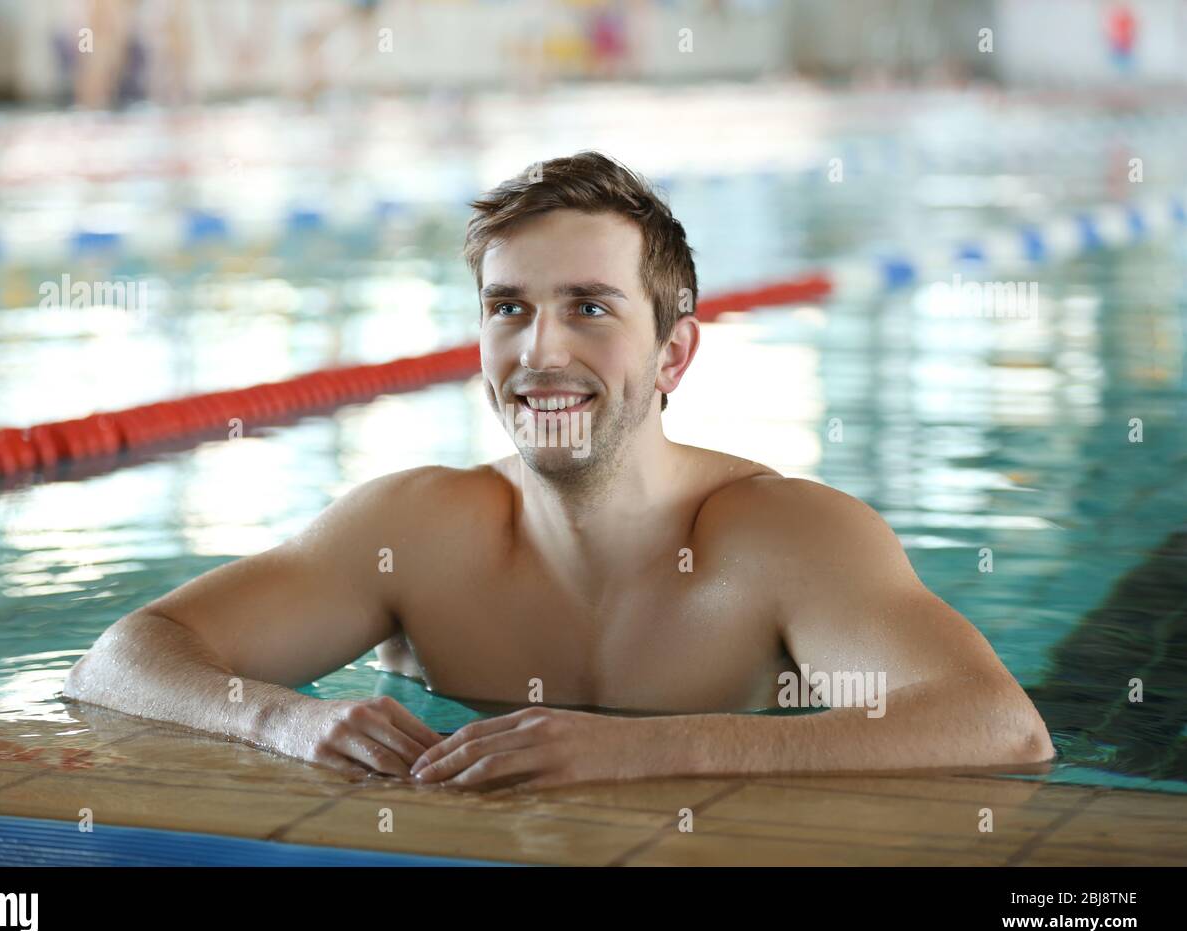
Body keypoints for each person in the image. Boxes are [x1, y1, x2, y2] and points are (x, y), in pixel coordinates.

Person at [63, 151, 1054, 792]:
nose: (539, 351)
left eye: (588, 307)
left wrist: (644, 748)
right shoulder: (414, 524)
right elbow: (122, 657)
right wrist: (285, 718)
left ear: (673, 355)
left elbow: (997, 724)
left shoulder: (783, 537)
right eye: (508, 307)